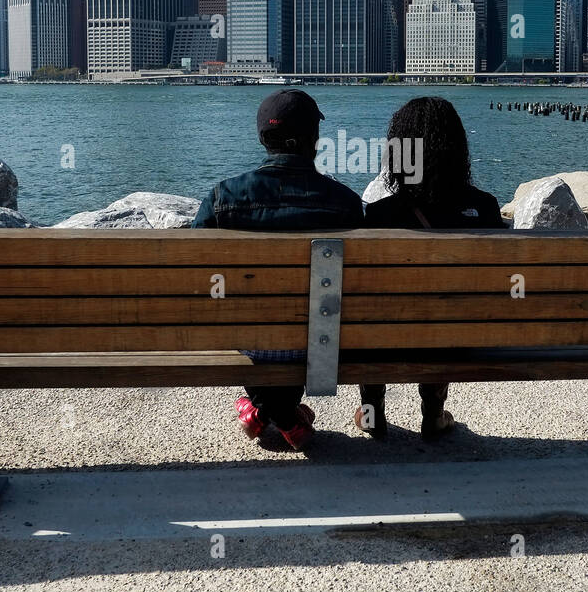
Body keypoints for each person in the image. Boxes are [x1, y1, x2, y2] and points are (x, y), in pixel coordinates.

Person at [193, 89, 363, 450]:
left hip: (248, 341)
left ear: (262, 138)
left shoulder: (223, 199)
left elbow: (192, 273)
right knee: (309, 318)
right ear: (314, 140)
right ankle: (281, 412)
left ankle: (268, 409)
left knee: (255, 320)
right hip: (320, 345)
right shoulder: (346, 204)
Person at [355, 97, 506, 440]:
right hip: (460, 338)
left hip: (384, 339)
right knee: (446, 312)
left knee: (372, 319)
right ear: (458, 150)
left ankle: (371, 413)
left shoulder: (379, 217)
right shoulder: (485, 209)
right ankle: (434, 414)